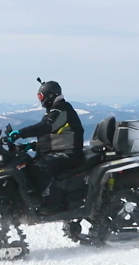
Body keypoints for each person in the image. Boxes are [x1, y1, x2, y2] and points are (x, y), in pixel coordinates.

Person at [8, 78, 84, 212]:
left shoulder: (61, 110)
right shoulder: (55, 110)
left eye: (41, 96)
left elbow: (46, 127)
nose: (40, 100)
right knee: (27, 166)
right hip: (60, 152)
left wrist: (20, 133)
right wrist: (30, 146)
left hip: (69, 154)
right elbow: (52, 139)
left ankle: (53, 205)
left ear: (50, 95)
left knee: (38, 168)